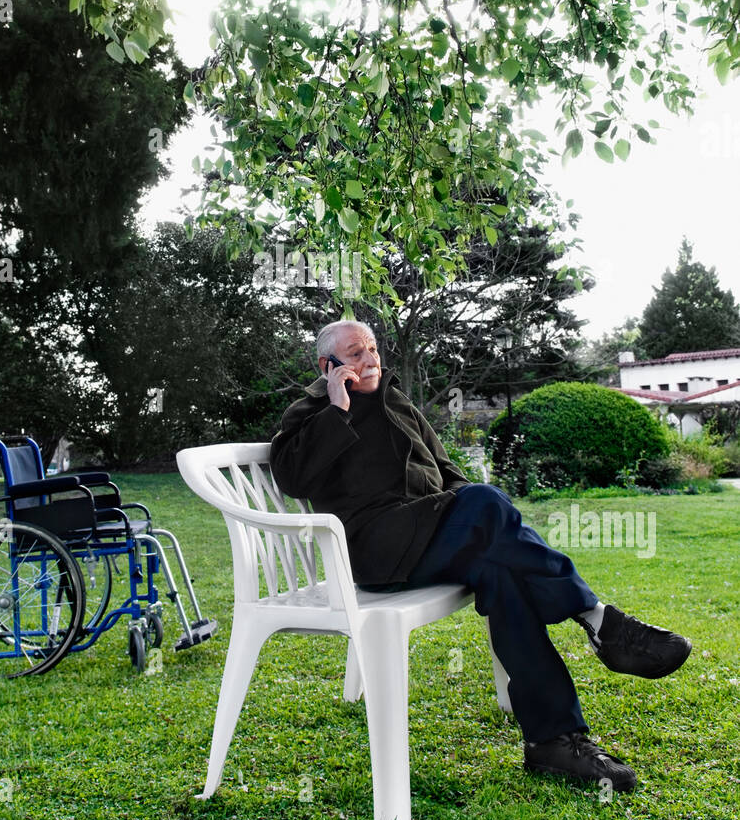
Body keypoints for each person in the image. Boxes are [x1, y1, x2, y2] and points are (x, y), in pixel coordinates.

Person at [270, 320, 692, 792]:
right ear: (328, 365)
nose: (369, 359)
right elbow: (291, 476)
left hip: (431, 536)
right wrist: (338, 408)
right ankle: (598, 620)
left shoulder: (396, 399)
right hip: (375, 548)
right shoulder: (309, 412)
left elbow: (445, 471)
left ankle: (553, 741)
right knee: (487, 501)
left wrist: (474, 510)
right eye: (354, 353)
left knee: (502, 572)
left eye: (372, 349)